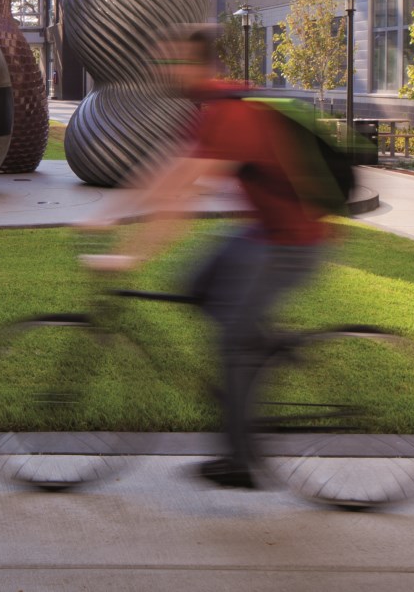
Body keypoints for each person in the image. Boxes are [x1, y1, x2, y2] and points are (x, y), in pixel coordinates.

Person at [86, 25, 335, 490]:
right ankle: (261, 347)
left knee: (232, 342)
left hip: (296, 241)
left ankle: (242, 461)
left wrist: (128, 256)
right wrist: (107, 215)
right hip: (266, 231)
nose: (159, 69)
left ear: (195, 65)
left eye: (168, 61)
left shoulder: (230, 114)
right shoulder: (210, 108)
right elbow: (165, 172)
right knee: (197, 283)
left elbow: (179, 198)